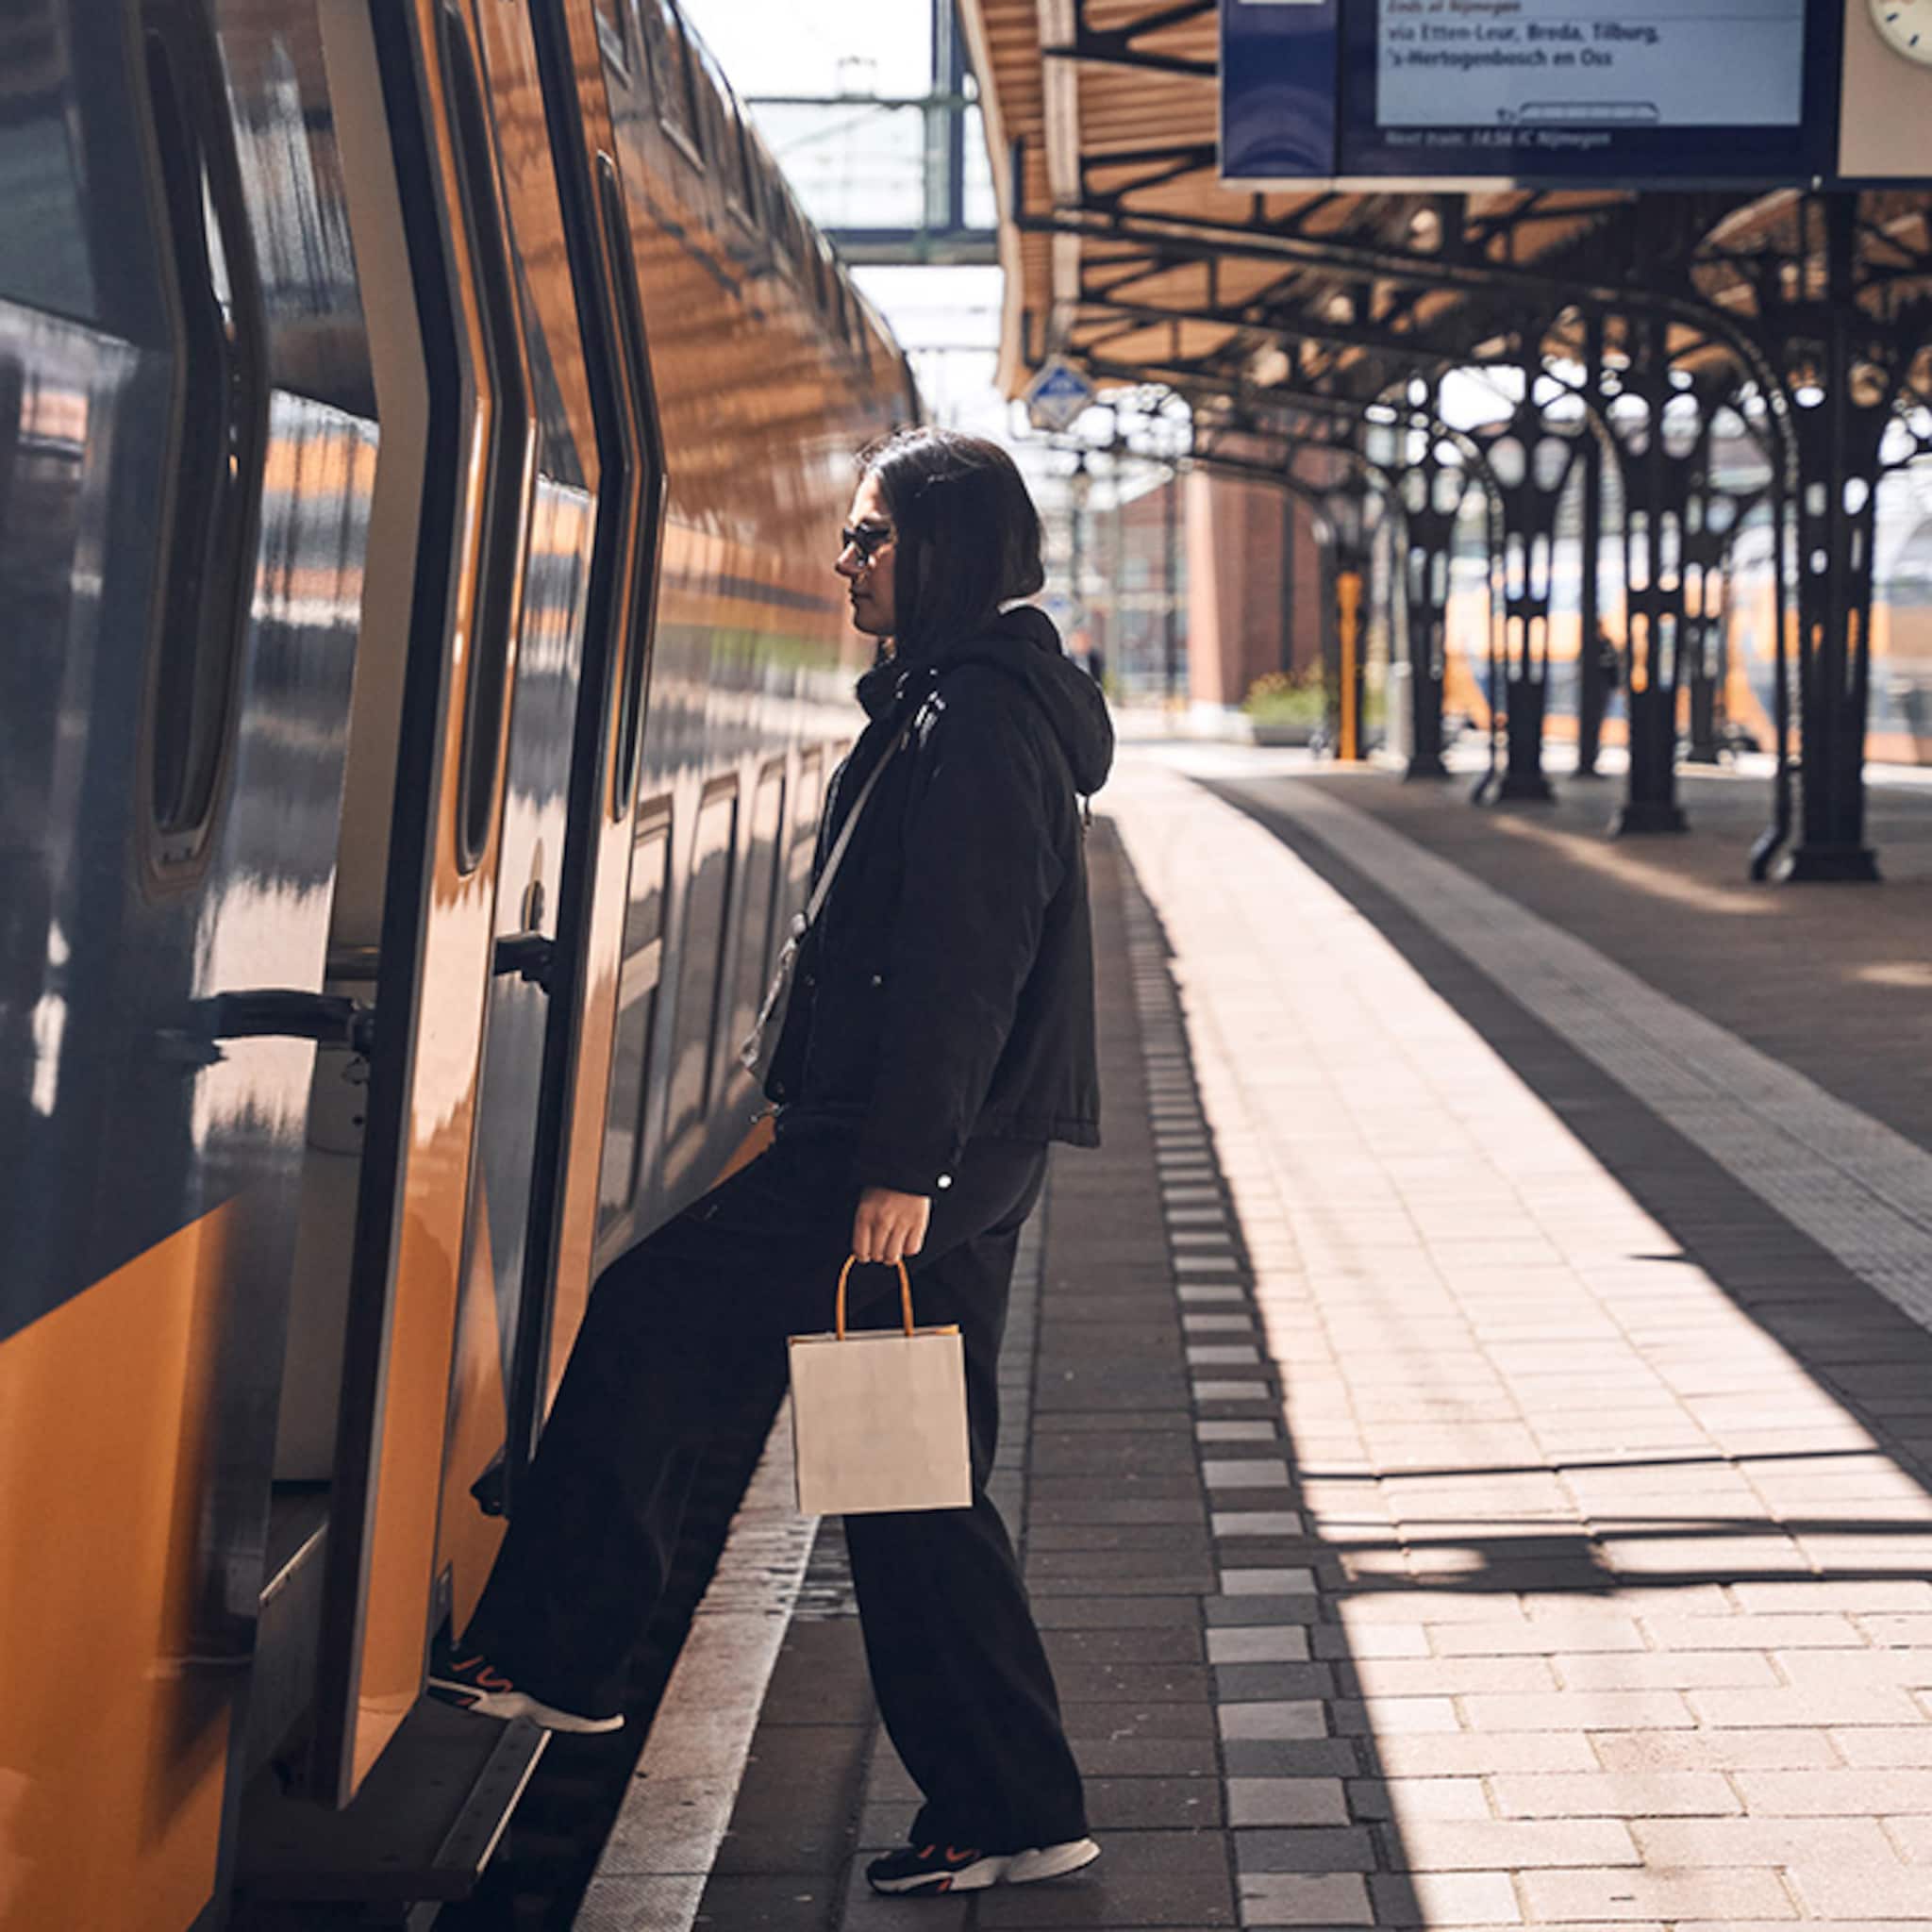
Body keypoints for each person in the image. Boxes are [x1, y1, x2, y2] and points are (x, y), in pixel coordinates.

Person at [431, 427, 1114, 1898]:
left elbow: (965, 965)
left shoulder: (982, 717)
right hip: (915, 1145)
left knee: (650, 1321)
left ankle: (558, 1655)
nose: (844, 561)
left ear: (938, 548)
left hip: (909, 1156)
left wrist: (905, 1168)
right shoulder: (956, 697)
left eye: (867, 537)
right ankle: (1011, 1805)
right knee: (908, 1476)